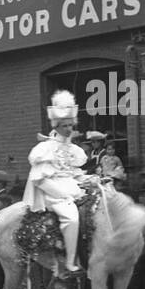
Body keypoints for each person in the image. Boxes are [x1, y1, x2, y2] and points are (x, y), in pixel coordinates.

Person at [23, 90, 87, 274]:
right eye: (65, 125)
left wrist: (91, 180)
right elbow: (39, 180)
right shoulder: (45, 148)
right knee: (71, 216)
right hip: (51, 192)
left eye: (70, 125)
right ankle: (70, 262)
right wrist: (64, 194)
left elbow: (74, 173)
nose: (69, 129)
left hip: (72, 187)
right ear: (57, 126)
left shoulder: (74, 149)